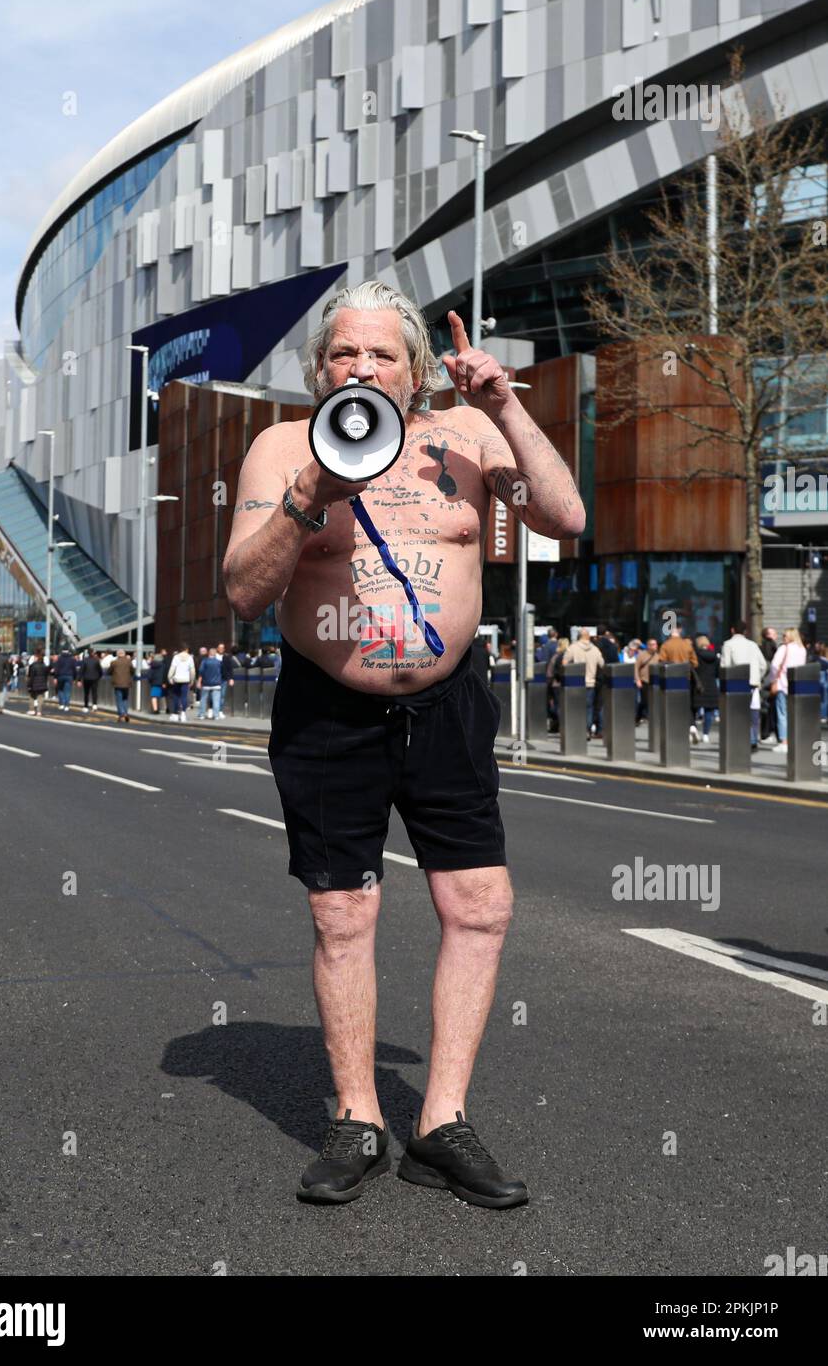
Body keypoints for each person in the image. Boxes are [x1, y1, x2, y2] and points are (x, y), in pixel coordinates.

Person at [223, 282, 585, 1207]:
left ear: (417, 371)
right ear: (320, 369)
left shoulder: (466, 436)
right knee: (343, 915)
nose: (363, 369)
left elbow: (565, 519)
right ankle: (356, 1119)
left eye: (383, 355)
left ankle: (442, 1121)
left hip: (448, 707)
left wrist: (502, 402)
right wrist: (312, 490)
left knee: (479, 907)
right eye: (345, 354)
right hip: (329, 709)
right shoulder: (279, 447)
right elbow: (241, 590)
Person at [719, 619, 768, 749]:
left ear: (732, 630)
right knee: (753, 712)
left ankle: (738, 739)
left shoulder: (728, 644)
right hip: (753, 683)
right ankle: (752, 739)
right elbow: (763, 665)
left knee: (737, 713)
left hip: (735, 683)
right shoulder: (753, 645)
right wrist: (757, 678)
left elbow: (725, 666)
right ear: (745, 631)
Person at [768, 627, 807, 752]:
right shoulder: (802, 650)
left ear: (791, 636)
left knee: (782, 714)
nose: (783, 637)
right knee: (794, 713)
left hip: (782, 684)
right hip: (797, 686)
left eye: (785, 635)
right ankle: (795, 739)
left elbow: (774, 665)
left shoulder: (784, 648)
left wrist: (773, 679)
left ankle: (784, 741)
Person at [562, 627, 605, 739]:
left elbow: (564, 663)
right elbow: (602, 664)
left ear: (578, 636)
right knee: (588, 708)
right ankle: (587, 729)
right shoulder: (595, 649)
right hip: (590, 683)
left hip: (575, 683)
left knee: (575, 707)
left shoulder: (572, 648)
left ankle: (576, 730)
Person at [690, 634, 719, 743]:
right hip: (711, 685)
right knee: (709, 711)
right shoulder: (714, 656)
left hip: (698, 685)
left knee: (693, 708)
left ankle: (693, 727)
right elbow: (718, 671)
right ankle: (706, 734)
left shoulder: (696, 655)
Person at [545, 635, 569, 733]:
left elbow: (549, 673)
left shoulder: (555, 657)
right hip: (569, 684)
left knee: (557, 705)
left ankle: (559, 725)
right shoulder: (569, 656)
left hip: (556, 684)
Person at [633, 638, 659, 725]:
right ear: (648, 646)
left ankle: (646, 717)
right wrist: (637, 680)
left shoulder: (658, 655)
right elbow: (636, 668)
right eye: (653, 644)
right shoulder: (642, 655)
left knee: (653, 700)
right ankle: (639, 716)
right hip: (644, 680)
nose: (655, 646)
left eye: (656, 644)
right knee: (645, 700)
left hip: (655, 681)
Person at [167, 644, 195, 722]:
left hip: (177, 679)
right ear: (187, 649)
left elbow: (172, 669)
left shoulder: (176, 657)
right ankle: (183, 713)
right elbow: (192, 671)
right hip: (186, 680)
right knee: (184, 696)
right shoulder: (190, 658)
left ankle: (175, 714)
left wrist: (169, 678)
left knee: (176, 696)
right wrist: (192, 680)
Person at [196, 647, 224, 719]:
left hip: (206, 684)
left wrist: (199, 682)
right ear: (215, 654)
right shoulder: (219, 662)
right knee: (216, 700)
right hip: (216, 684)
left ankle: (201, 714)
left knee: (203, 699)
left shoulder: (205, 661)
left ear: (209, 653)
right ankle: (216, 715)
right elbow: (221, 672)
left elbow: (201, 672)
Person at [109, 650, 133, 722]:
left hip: (117, 683)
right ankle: (125, 713)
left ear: (117, 655)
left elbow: (109, 671)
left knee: (119, 699)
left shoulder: (114, 662)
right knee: (125, 699)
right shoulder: (129, 662)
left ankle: (121, 713)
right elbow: (132, 671)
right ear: (124, 654)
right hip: (126, 683)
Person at [26, 650, 49, 715]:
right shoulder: (44, 666)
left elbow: (31, 676)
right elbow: (46, 674)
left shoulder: (33, 666)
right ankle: (39, 711)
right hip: (42, 683)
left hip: (34, 683)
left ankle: (32, 709)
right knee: (40, 697)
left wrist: (29, 684)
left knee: (32, 696)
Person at [148, 647, 168, 713]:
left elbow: (150, 675)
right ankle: (167, 708)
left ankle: (155, 710)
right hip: (163, 682)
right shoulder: (164, 665)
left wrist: (150, 681)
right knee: (165, 696)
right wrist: (165, 682)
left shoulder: (152, 665)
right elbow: (165, 674)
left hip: (154, 683)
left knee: (154, 696)